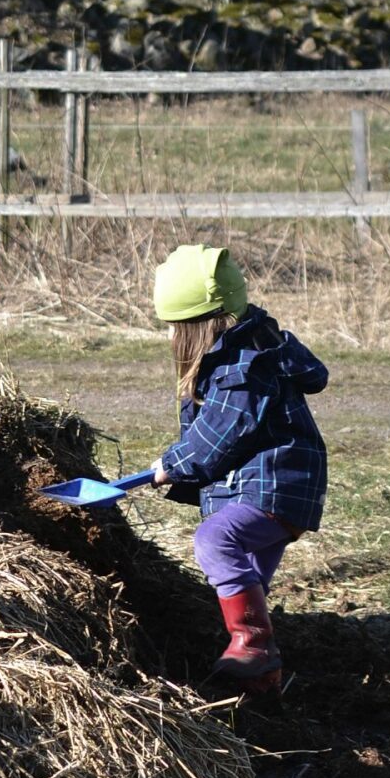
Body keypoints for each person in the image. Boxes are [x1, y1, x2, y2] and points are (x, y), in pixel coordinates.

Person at [147, 244, 329, 696]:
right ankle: (262, 683)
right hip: (281, 486)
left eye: (174, 327)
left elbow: (223, 433)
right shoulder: (251, 351)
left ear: (199, 326)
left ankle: (252, 644)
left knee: (215, 539)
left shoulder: (240, 368)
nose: (171, 337)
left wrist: (172, 465)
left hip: (273, 485)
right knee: (249, 578)